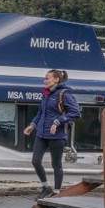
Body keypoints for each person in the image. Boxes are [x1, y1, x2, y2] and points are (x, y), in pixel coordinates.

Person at [24, 69, 80, 198]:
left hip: (57, 136)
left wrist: (58, 121)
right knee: (35, 161)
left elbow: (76, 113)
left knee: (56, 165)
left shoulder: (64, 94)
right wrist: (32, 125)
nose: (45, 80)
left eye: (47, 78)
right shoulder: (46, 94)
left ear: (56, 79)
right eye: (45, 78)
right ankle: (46, 187)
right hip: (41, 134)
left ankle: (56, 192)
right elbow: (40, 113)